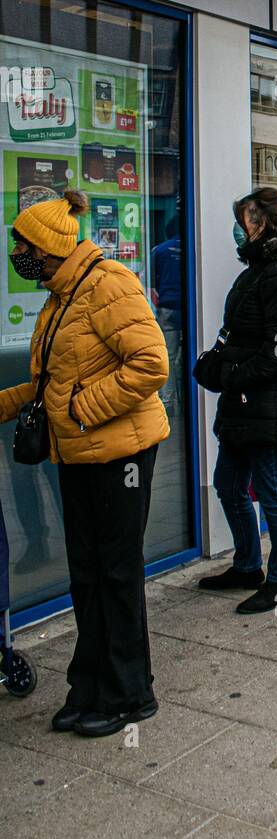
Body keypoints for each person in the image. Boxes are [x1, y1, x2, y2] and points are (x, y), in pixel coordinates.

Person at [0, 190, 169, 738]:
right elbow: (53, 379)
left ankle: (130, 693)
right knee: (88, 573)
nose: (16, 255)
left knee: (117, 573)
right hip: (77, 452)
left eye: (22, 246)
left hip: (121, 453)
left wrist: (80, 410)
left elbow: (151, 364)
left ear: (46, 248)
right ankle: (90, 683)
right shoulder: (60, 295)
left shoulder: (108, 283)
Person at [198, 189, 277, 613]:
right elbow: (239, 333)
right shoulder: (255, 271)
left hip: (267, 403)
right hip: (243, 401)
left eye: (243, 221)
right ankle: (247, 565)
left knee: (272, 491)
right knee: (229, 485)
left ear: (261, 223)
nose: (238, 229)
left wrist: (230, 376)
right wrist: (217, 365)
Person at [150, 215, 183, 412]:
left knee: (168, 356)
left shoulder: (159, 250)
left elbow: (150, 281)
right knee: (188, 354)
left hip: (168, 309)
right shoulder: (192, 247)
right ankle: (186, 397)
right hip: (189, 311)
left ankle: (169, 402)